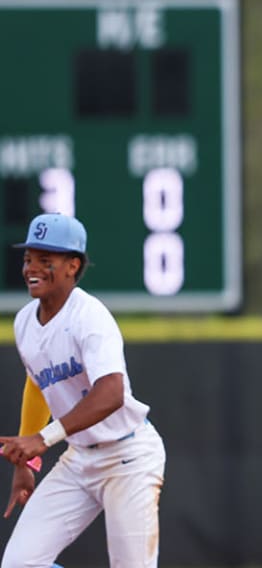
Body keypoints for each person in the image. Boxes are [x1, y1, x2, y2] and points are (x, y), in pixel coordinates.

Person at [0, 213, 166, 567]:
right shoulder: (25, 321)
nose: (33, 267)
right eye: (29, 258)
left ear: (73, 265)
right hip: (79, 459)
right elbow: (37, 384)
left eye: (47, 261)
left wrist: (43, 439)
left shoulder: (89, 316)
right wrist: (27, 461)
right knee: (19, 565)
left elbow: (111, 392)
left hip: (128, 456)